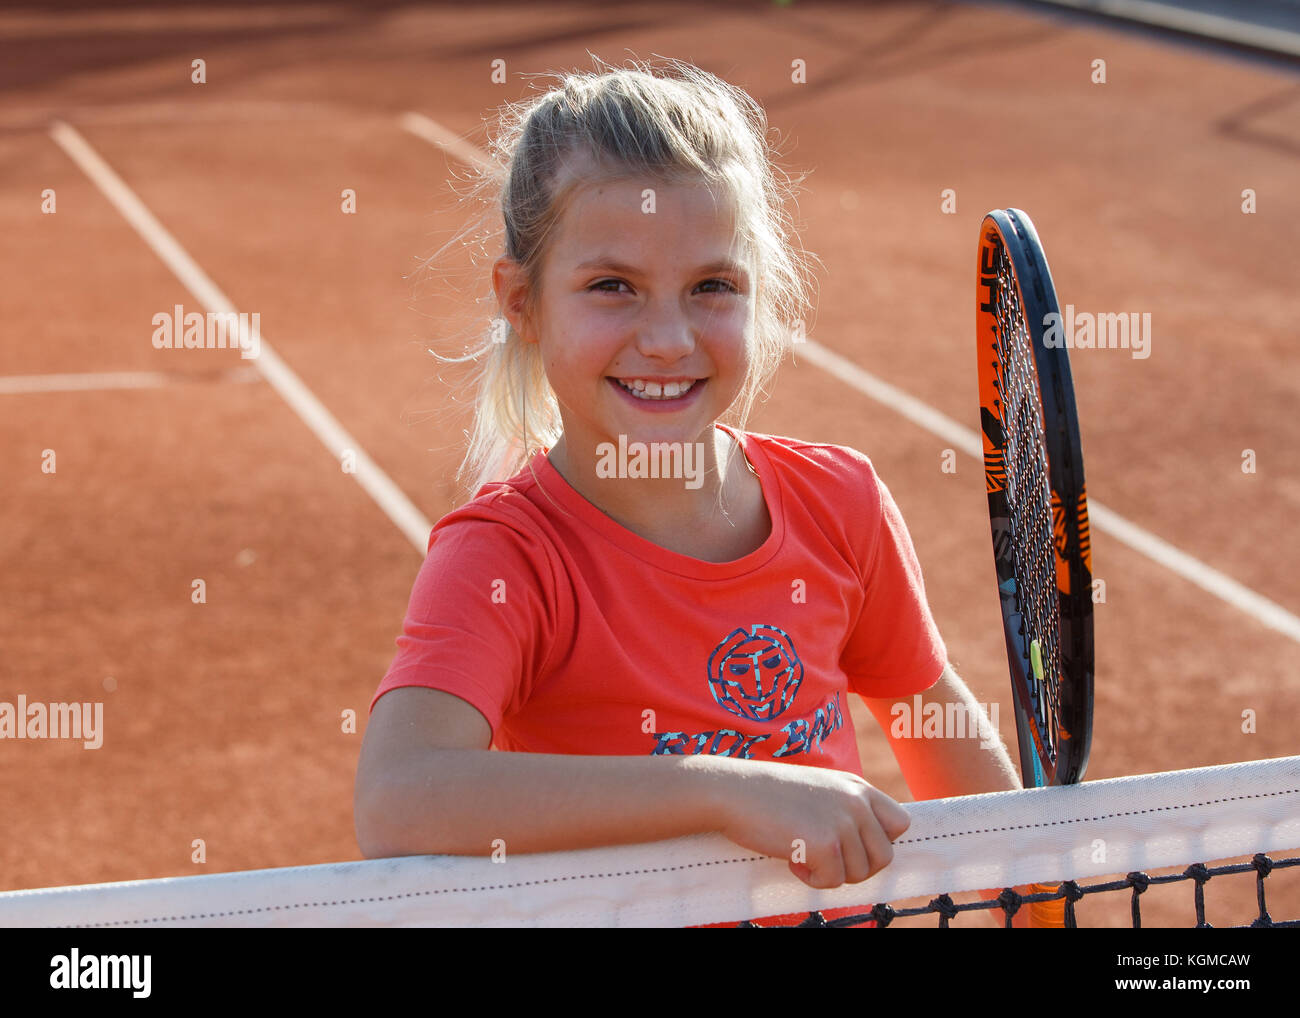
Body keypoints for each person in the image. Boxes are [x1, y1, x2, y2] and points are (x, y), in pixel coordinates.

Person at [355, 58, 1031, 925]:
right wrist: (724, 791)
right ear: (521, 302)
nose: (669, 339)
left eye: (712, 286)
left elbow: (961, 774)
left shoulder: (841, 502)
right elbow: (400, 799)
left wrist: (1041, 892)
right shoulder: (505, 557)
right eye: (613, 287)